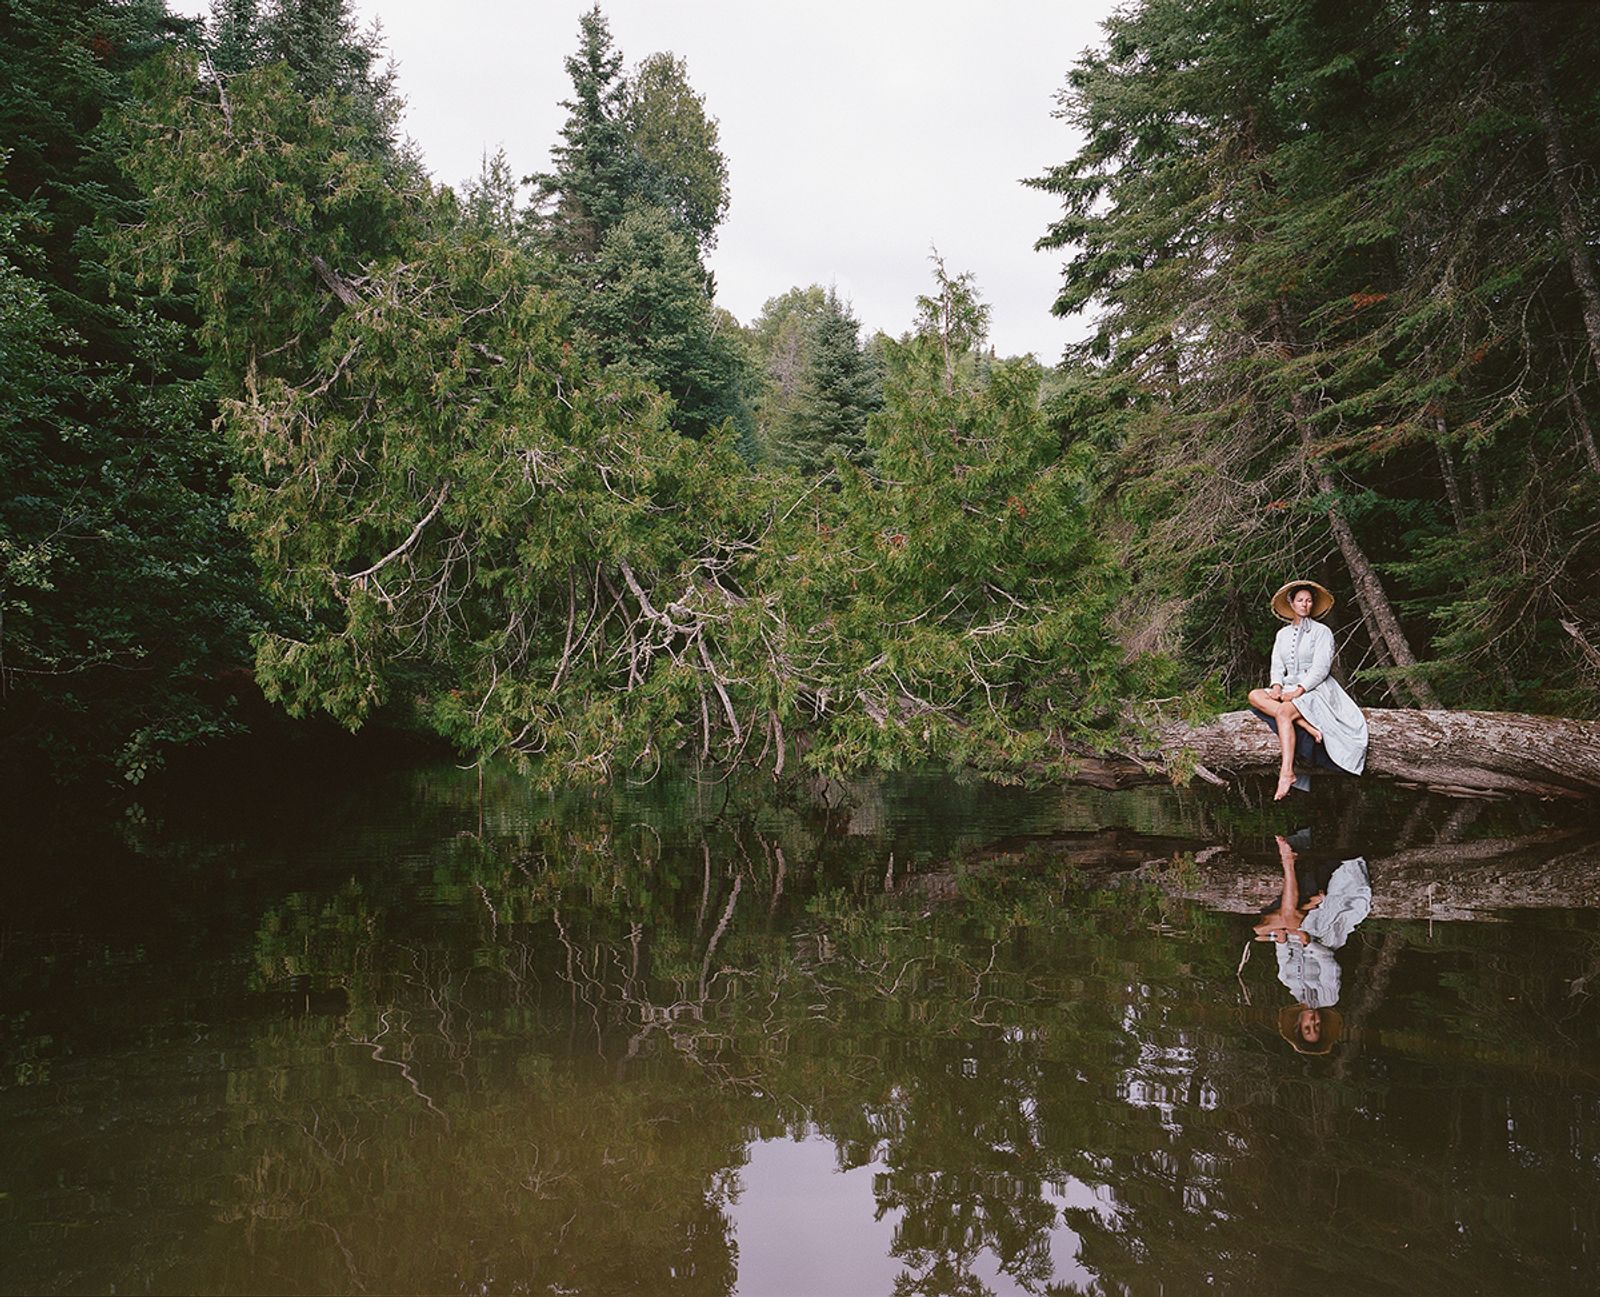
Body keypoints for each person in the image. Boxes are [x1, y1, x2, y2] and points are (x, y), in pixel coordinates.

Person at [1246, 580, 1369, 801]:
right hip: (1288, 687)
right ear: (1291, 603)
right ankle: (1305, 724)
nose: (1305, 604)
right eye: (1301, 600)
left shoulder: (1322, 632)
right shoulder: (1282, 635)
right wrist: (1276, 686)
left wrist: (1299, 691)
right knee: (1254, 695)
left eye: (1309, 600)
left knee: (1283, 712)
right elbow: (1277, 665)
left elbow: (1321, 668)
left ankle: (1287, 773)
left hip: (1316, 689)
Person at [1254, 833, 1371, 1056]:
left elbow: (1284, 960)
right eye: (1317, 1027)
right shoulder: (1329, 997)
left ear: (1299, 1024)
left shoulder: (1294, 988)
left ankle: (1306, 904)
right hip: (1320, 937)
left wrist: (1280, 940)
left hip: (1295, 935)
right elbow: (1328, 962)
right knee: (1288, 919)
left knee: (1259, 931)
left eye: (1308, 1027)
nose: (1313, 1022)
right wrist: (1306, 942)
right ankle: (1288, 862)